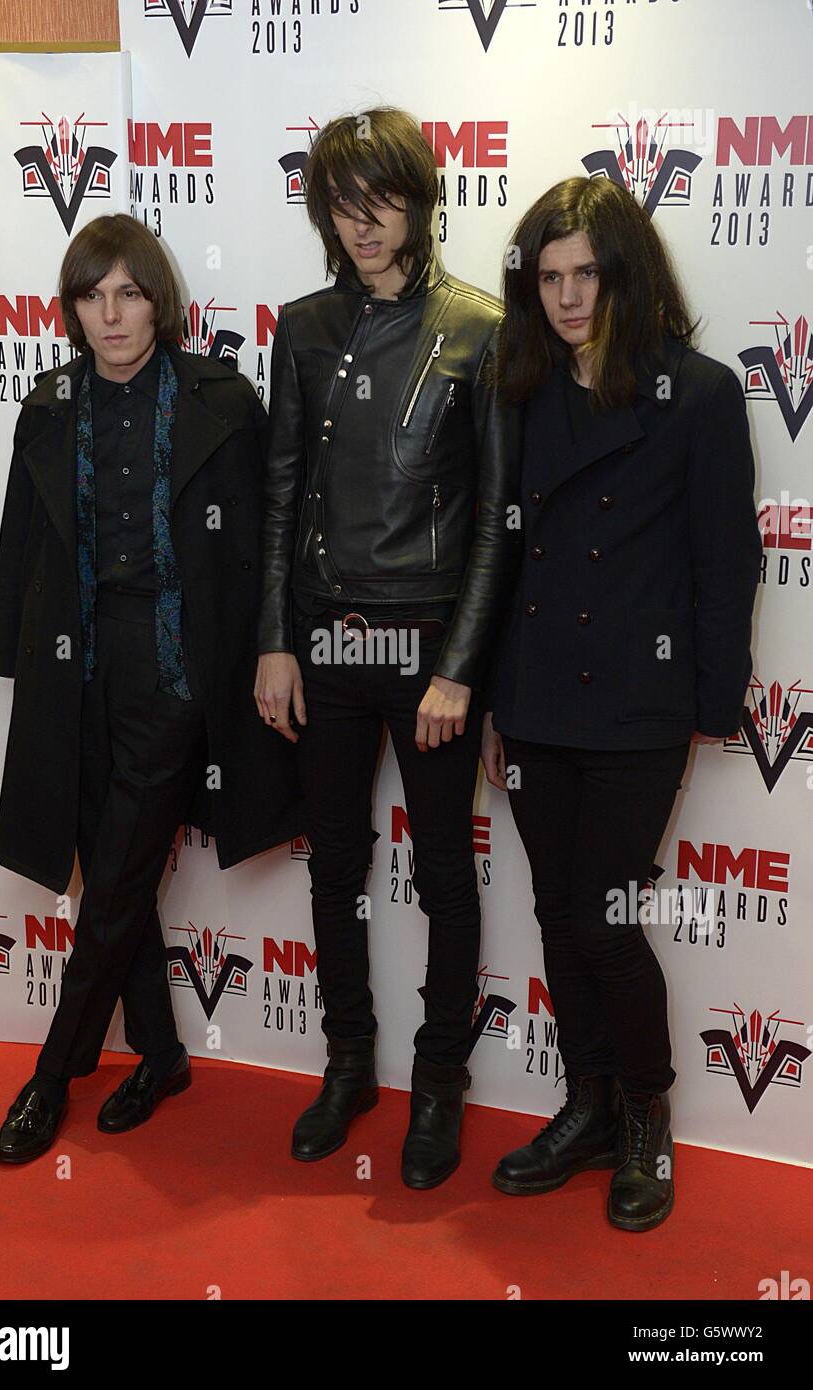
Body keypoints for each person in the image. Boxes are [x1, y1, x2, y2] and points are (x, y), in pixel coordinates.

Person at [0, 213, 303, 1164]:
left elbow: (266, 540)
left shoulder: (219, 398)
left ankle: (53, 1075)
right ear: (72, 309)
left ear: (158, 301)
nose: (112, 314)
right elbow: (22, 539)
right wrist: (9, 650)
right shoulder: (48, 405)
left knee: (118, 871)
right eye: (92, 296)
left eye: (129, 293)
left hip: (176, 666)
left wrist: (270, 649)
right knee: (114, 870)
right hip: (75, 665)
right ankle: (161, 1056)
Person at [481, 175, 761, 1230]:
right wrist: (496, 698)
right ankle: (587, 1104)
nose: (566, 297)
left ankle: (646, 1111)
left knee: (602, 920)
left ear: (625, 275)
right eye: (548, 276)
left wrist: (711, 701)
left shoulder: (697, 393)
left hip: (637, 705)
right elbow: (505, 559)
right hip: (536, 698)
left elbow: (726, 563)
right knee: (558, 916)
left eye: (586, 273)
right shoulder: (522, 389)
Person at [254, 108, 520, 1189]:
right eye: (342, 204)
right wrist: (274, 641)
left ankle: (440, 1078)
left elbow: (499, 518)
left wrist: (457, 667)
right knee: (335, 860)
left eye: (381, 200)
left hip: (425, 648)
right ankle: (348, 1062)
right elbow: (279, 496)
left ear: (420, 199)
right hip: (323, 639)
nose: (361, 224)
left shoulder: (481, 327)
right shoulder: (303, 327)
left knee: (444, 869)